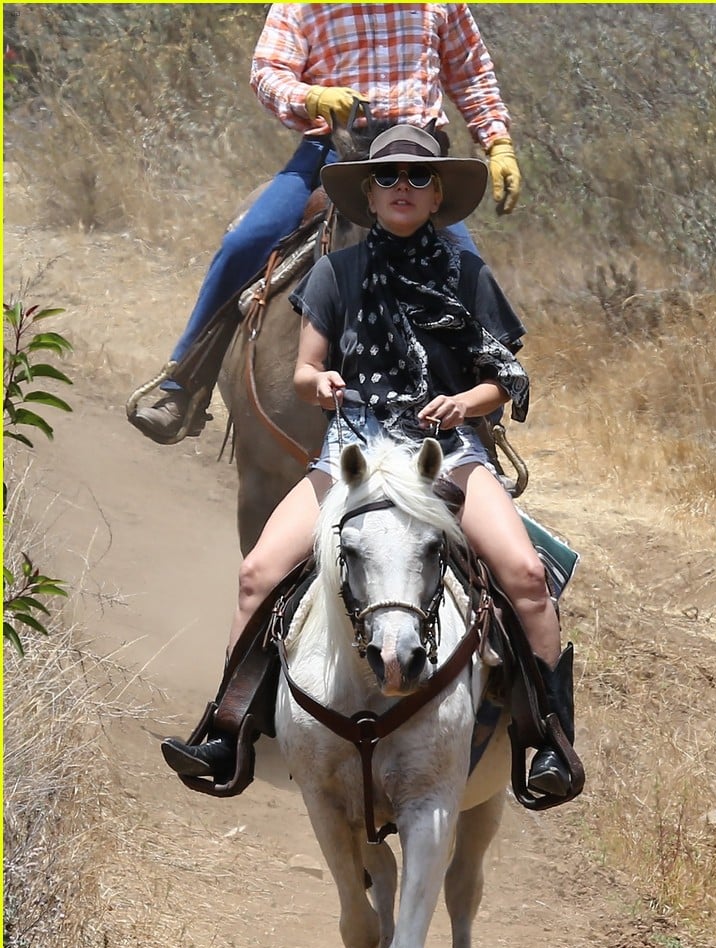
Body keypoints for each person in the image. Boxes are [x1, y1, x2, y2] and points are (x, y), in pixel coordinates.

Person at [161, 125, 579, 800]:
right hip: (351, 450)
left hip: (449, 453)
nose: (402, 189)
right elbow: (304, 368)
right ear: (368, 193)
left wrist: (463, 399)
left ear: (439, 192)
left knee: (527, 576)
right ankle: (229, 727)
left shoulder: (468, 274)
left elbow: (506, 377)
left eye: (418, 177)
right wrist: (316, 384)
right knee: (258, 573)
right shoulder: (333, 273)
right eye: (388, 178)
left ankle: (547, 742)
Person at [129, 2, 522, 444]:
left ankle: (481, 425)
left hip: (417, 160)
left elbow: (471, 71)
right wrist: (310, 97)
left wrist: (497, 142)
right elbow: (267, 72)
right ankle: (183, 385)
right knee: (246, 243)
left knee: (467, 269)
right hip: (333, 153)